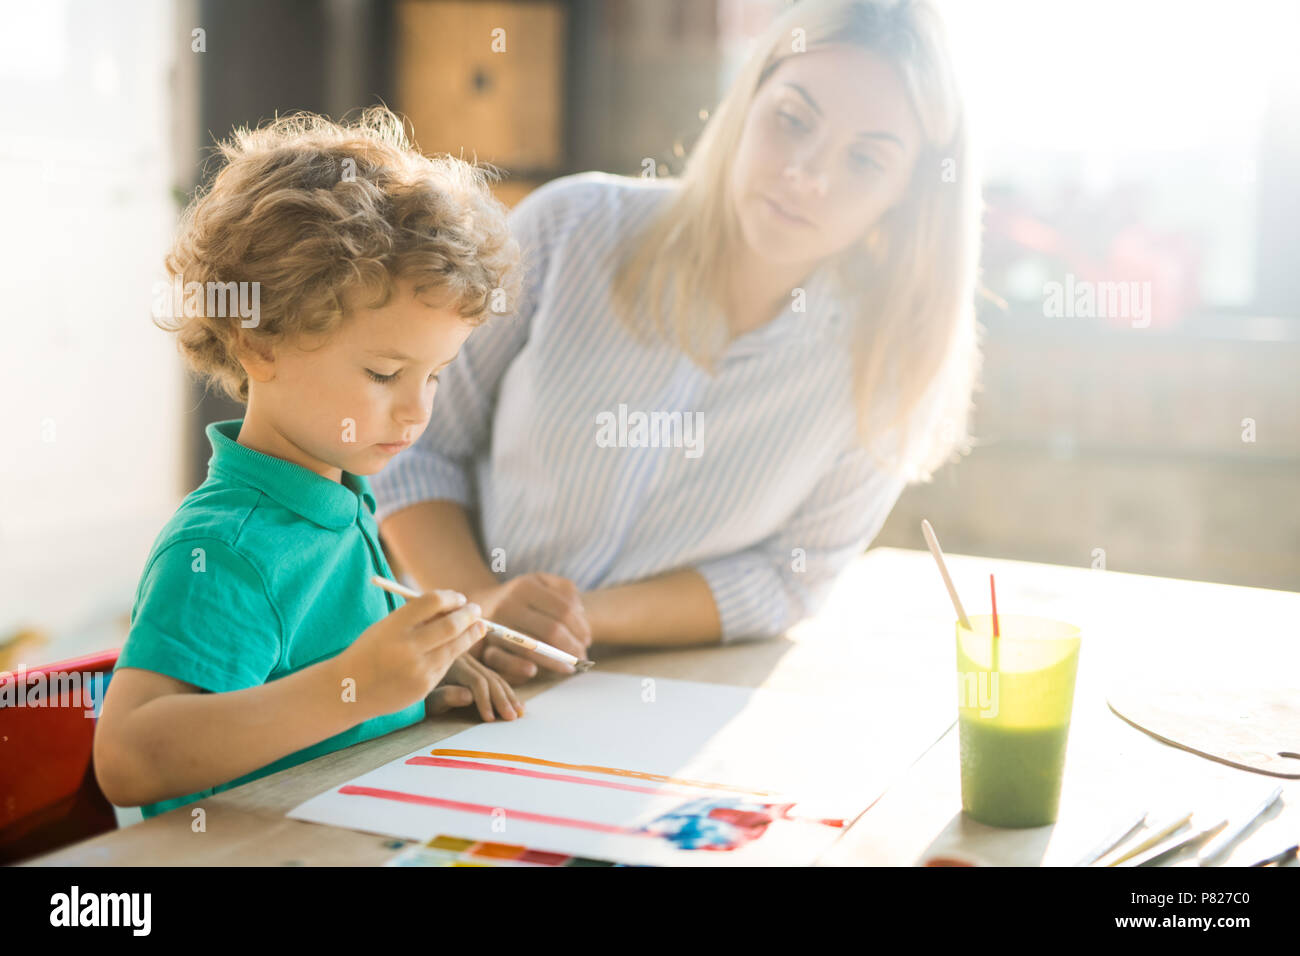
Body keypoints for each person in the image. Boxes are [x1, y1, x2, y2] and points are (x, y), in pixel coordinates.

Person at [375, 0, 983, 685]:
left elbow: (790, 577)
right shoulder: (569, 230)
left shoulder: (888, 363)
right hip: (445, 670)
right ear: (746, 98)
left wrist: (582, 618)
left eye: (867, 160)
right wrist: (480, 609)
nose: (808, 175)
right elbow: (418, 444)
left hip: (664, 696)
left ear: (906, 194)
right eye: (792, 120)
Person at [95, 108, 524, 819]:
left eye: (437, 375)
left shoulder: (339, 499)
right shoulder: (228, 549)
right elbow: (130, 758)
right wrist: (358, 686)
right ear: (260, 343)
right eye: (385, 374)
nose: (418, 412)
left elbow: (330, 688)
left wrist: (420, 672)